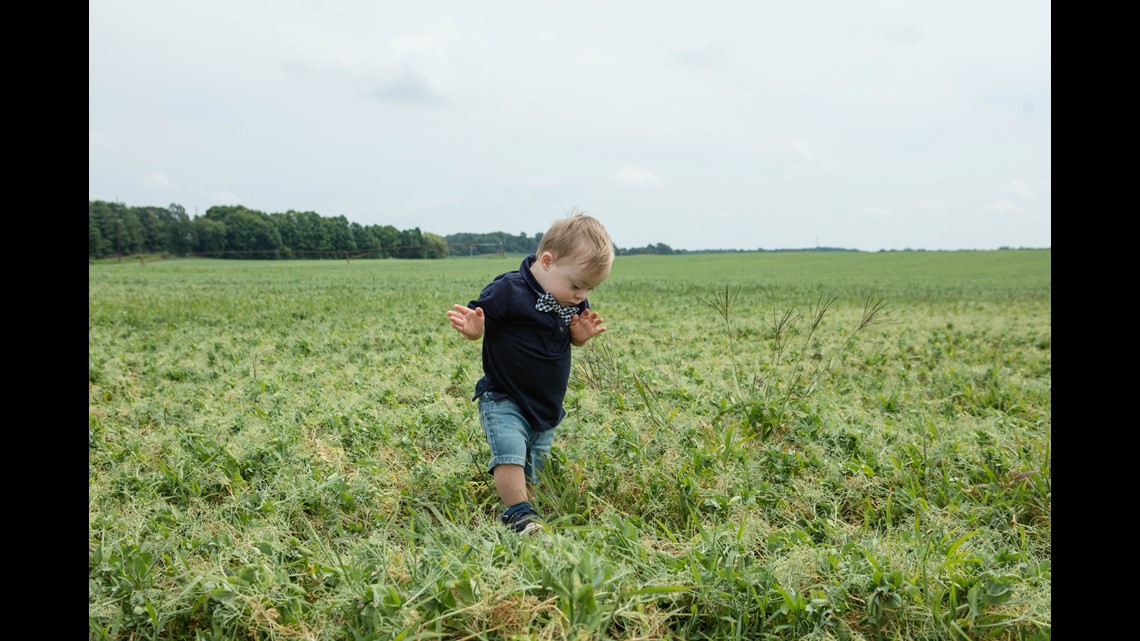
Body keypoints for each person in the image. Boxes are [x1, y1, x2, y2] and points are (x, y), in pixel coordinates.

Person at [446, 213, 614, 534]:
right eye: (578, 285)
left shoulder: (571, 298)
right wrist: (473, 329)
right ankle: (517, 514)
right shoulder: (509, 290)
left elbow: (572, 337)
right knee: (510, 454)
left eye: (589, 288)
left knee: (533, 465)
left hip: (546, 403)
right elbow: (479, 319)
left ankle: (526, 506)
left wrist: (581, 334)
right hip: (504, 396)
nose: (582, 295)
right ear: (547, 262)